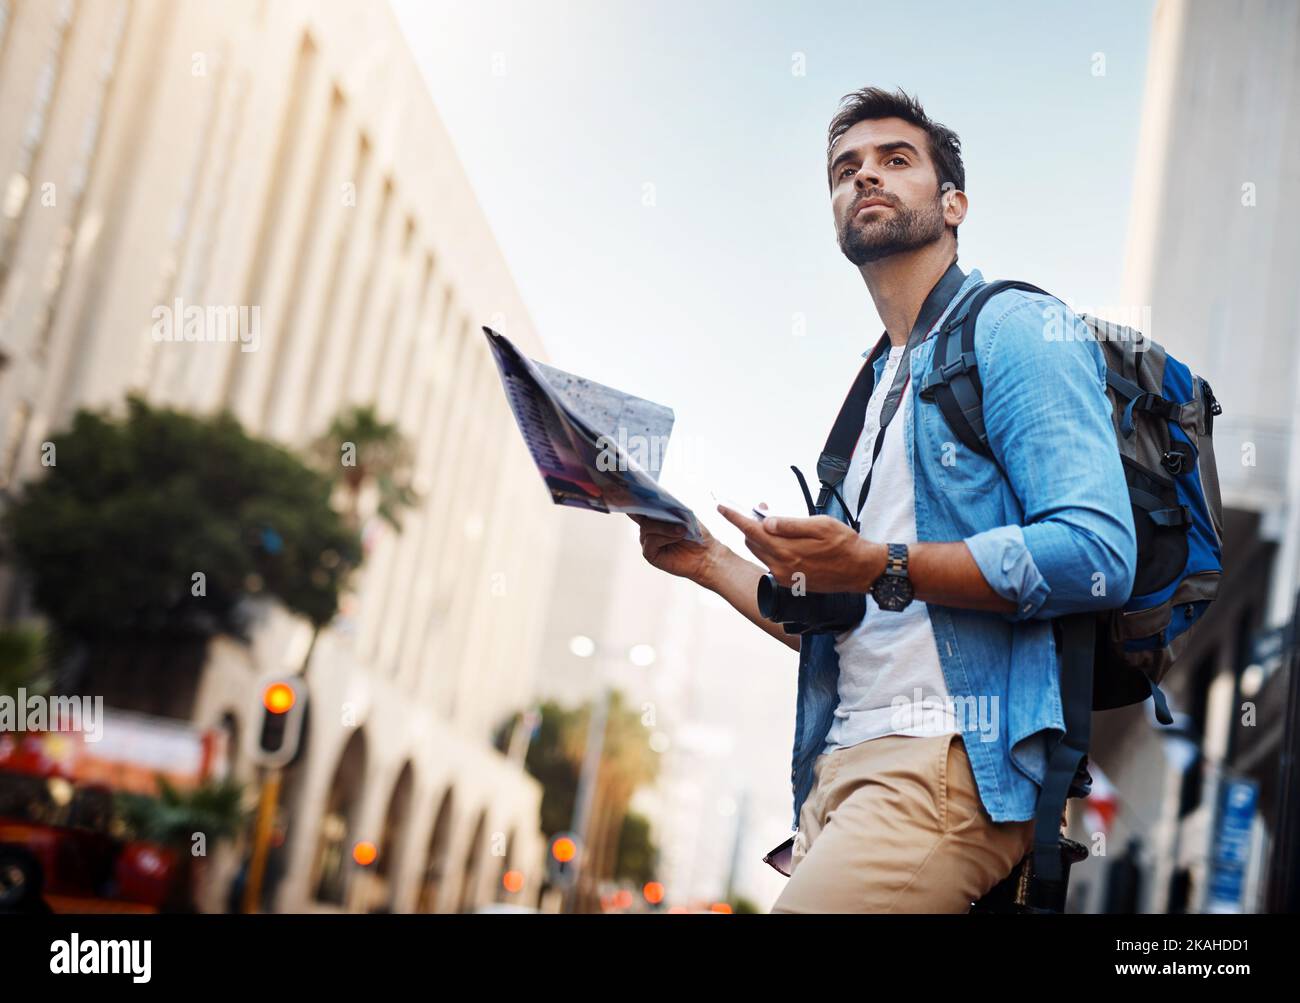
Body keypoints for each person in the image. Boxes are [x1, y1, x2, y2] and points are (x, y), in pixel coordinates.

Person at [630, 87, 1135, 913]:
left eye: (895, 160)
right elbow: (850, 631)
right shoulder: (870, 394)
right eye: (845, 168)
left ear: (953, 202)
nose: (865, 176)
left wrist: (881, 561)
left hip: (944, 768)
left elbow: (1097, 553)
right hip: (839, 773)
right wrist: (705, 560)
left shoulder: (1013, 329)